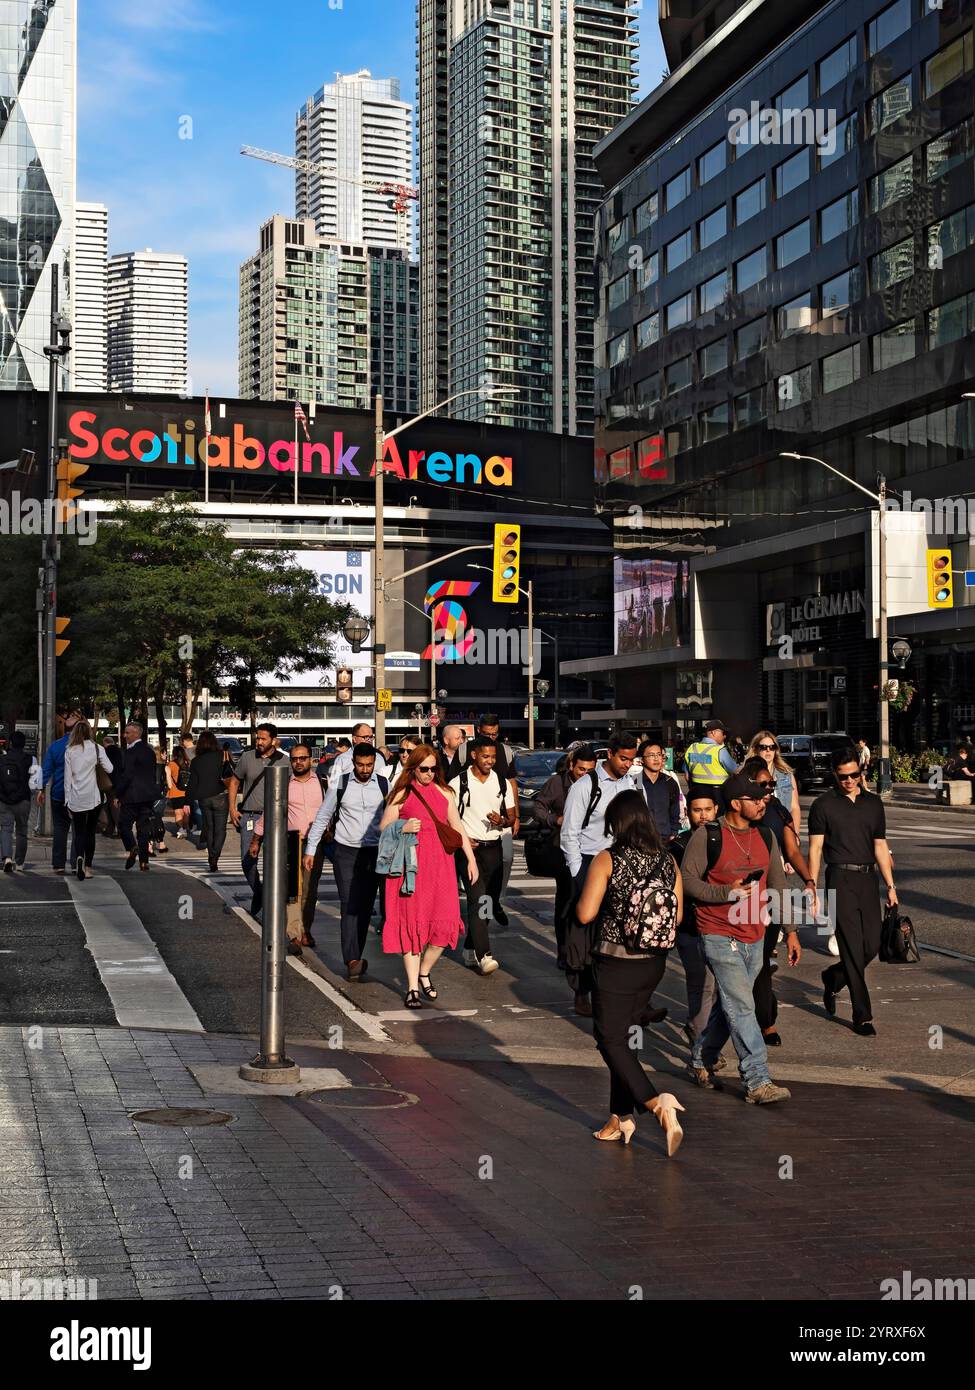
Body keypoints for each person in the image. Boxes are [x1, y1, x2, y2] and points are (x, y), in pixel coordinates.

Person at [576, 790, 686, 1156]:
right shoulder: (667, 860)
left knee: (610, 1040)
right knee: (623, 1039)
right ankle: (618, 1119)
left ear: (616, 823)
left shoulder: (609, 858)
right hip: (653, 963)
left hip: (615, 962)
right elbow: (679, 917)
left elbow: (586, 914)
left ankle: (657, 1104)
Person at [680, 772, 792, 1104]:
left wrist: (792, 931)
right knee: (743, 1004)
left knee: (731, 1005)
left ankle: (702, 1057)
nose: (763, 802)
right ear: (735, 803)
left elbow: (777, 887)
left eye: (763, 797)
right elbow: (686, 880)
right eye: (755, 799)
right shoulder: (708, 836)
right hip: (716, 932)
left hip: (754, 933)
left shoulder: (766, 836)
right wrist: (724, 893)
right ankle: (757, 1080)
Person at [807, 747, 897, 1037]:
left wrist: (891, 887)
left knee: (872, 944)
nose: (849, 781)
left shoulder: (873, 804)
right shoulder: (823, 805)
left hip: (868, 880)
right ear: (835, 774)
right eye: (843, 776)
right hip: (839, 878)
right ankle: (862, 1015)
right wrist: (812, 885)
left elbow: (880, 847)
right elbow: (816, 848)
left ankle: (834, 976)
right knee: (850, 945)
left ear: (861, 772)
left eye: (854, 775)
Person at [379, 744, 477, 1009]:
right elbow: (383, 827)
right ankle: (412, 987)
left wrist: (471, 859)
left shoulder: (445, 792)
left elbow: (457, 827)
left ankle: (424, 972)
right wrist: (402, 825)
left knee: (445, 925)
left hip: (440, 868)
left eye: (434, 769)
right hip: (410, 868)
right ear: (413, 768)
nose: (430, 774)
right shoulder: (401, 792)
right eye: (424, 769)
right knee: (412, 926)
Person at [560, 731, 640, 1016]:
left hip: (621, 863)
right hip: (589, 861)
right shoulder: (585, 786)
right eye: (623, 758)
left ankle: (616, 990)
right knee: (584, 930)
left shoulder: (631, 784)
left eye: (631, 759)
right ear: (610, 754)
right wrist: (578, 871)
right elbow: (569, 832)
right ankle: (581, 991)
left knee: (616, 929)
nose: (627, 764)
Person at [740, 756, 814, 1048]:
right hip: (737, 898)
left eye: (771, 784)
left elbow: (793, 852)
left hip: (767, 898)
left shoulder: (778, 812)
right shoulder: (735, 811)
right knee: (745, 964)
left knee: (760, 960)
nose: (769, 790)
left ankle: (767, 1022)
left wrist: (809, 880)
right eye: (763, 785)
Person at [305, 743, 389, 979]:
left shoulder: (383, 785)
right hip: (346, 852)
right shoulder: (340, 783)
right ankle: (351, 958)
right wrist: (311, 849)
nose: (364, 769)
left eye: (369, 765)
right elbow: (323, 816)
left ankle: (356, 953)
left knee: (364, 907)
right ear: (353, 763)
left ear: (374, 763)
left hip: (373, 852)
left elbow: (393, 814)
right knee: (348, 903)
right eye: (360, 765)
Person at [449, 735, 517, 975]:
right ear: (474, 755)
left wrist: (502, 821)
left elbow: (511, 817)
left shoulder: (501, 782)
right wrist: (463, 839)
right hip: (470, 852)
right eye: (486, 756)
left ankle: (470, 946)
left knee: (488, 901)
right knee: (478, 901)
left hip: (494, 848)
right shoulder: (458, 783)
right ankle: (484, 955)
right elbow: (449, 817)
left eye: (493, 757)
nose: (490, 761)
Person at [250, 743, 324, 955]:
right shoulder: (284, 784)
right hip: (292, 841)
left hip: (315, 843)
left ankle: (304, 930)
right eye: (294, 759)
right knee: (292, 891)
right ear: (290, 761)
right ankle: (294, 935)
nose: (299, 762)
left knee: (310, 891)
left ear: (311, 759)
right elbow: (269, 812)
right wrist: (256, 839)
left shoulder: (322, 783)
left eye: (303, 758)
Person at [533, 744, 598, 972]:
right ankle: (565, 951)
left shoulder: (598, 783)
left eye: (590, 770)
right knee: (567, 902)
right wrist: (555, 820)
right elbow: (538, 808)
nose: (585, 775)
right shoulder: (557, 783)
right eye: (581, 770)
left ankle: (588, 949)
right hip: (565, 851)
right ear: (572, 765)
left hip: (593, 852)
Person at [670, 789, 721, 1048]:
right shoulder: (678, 845)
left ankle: (696, 1029)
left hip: (722, 924)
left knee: (716, 988)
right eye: (696, 810)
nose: (702, 816)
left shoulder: (724, 840)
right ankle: (701, 1045)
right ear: (687, 813)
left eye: (707, 809)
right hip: (690, 925)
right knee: (702, 984)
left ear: (716, 810)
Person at [226, 723, 288, 919]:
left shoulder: (284, 761)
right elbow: (235, 781)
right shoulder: (247, 757)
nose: (259, 742)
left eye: (263, 738)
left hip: (274, 817)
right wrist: (233, 808)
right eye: (257, 738)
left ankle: (270, 900)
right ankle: (258, 890)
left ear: (274, 740)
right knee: (247, 860)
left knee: (273, 861)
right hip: (250, 816)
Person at [475, 714, 519, 924]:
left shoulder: (505, 752)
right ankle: (483, 915)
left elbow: (512, 783)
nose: (491, 738)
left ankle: (494, 901)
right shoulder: (467, 751)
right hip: (475, 822)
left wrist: (515, 816)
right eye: (487, 734)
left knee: (507, 858)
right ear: (478, 731)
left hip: (502, 819)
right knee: (481, 874)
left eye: (494, 734)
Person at [63, 720, 114, 880]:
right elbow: (110, 768)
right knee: (90, 832)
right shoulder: (97, 749)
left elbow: (67, 779)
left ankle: (79, 856)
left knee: (79, 832)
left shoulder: (70, 750)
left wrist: (67, 801)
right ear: (90, 733)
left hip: (77, 797)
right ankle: (88, 868)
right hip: (94, 797)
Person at [37, 709, 81, 873]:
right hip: (80, 794)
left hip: (58, 793)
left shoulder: (55, 746)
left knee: (60, 829)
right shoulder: (85, 747)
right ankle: (77, 862)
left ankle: (58, 864)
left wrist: (41, 789)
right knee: (79, 829)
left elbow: (46, 770)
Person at [113, 722, 159, 871]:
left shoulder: (130, 753)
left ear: (137, 734)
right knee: (143, 829)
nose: (124, 736)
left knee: (124, 825)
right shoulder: (150, 751)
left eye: (127, 733)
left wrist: (117, 794)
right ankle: (144, 862)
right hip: (147, 796)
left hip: (131, 795)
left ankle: (132, 847)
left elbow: (126, 776)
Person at [187, 730, 229, 873]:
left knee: (209, 828)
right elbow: (231, 772)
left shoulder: (196, 761)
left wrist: (187, 801)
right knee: (220, 829)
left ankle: (211, 856)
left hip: (203, 797)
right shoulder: (221, 755)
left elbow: (192, 783)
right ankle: (215, 856)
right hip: (220, 795)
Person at [747, 731, 801, 834]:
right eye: (763, 747)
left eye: (772, 747)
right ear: (755, 749)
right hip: (756, 830)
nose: (768, 750)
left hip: (783, 830)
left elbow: (794, 807)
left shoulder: (786, 775)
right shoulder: (747, 775)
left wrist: (795, 833)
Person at [631, 740, 682, 842]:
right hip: (640, 840)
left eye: (659, 755)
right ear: (641, 760)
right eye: (651, 755)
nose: (656, 758)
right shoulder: (633, 782)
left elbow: (675, 812)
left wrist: (673, 833)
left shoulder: (670, 783)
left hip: (665, 840)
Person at [0, 730, 33, 873]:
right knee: (22, 831)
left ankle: (7, 857)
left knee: (6, 829)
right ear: (24, 744)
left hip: (4, 800)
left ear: (11, 743)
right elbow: (35, 782)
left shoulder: (1, 759)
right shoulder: (31, 759)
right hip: (23, 800)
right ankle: (19, 863)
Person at [684, 720, 739, 803]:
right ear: (713, 732)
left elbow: (687, 776)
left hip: (696, 792)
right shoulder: (719, 750)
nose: (724, 736)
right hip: (717, 794)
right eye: (722, 732)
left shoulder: (692, 748)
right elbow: (736, 771)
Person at [328, 724, 392, 787]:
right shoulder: (342, 759)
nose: (369, 740)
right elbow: (335, 787)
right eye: (365, 737)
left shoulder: (379, 758)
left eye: (371, 737)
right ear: (354, 739)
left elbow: (385, 784)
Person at [100, 735, 124, 837]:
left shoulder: (107, 752)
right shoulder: (120, 751)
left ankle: (119, 830)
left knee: (113, 807)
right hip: (120, 782)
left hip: (110, 783)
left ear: (105, 743)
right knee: (110, 806)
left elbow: (106, 768)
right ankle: (111, 828)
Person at [166, 745, 192, 839]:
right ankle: (186, 827)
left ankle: (181, 829)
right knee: (186, 812)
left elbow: (167, 778)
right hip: (187, 792)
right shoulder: (188, 763)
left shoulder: (171, 764)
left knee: (178, 812)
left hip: (175, 792)